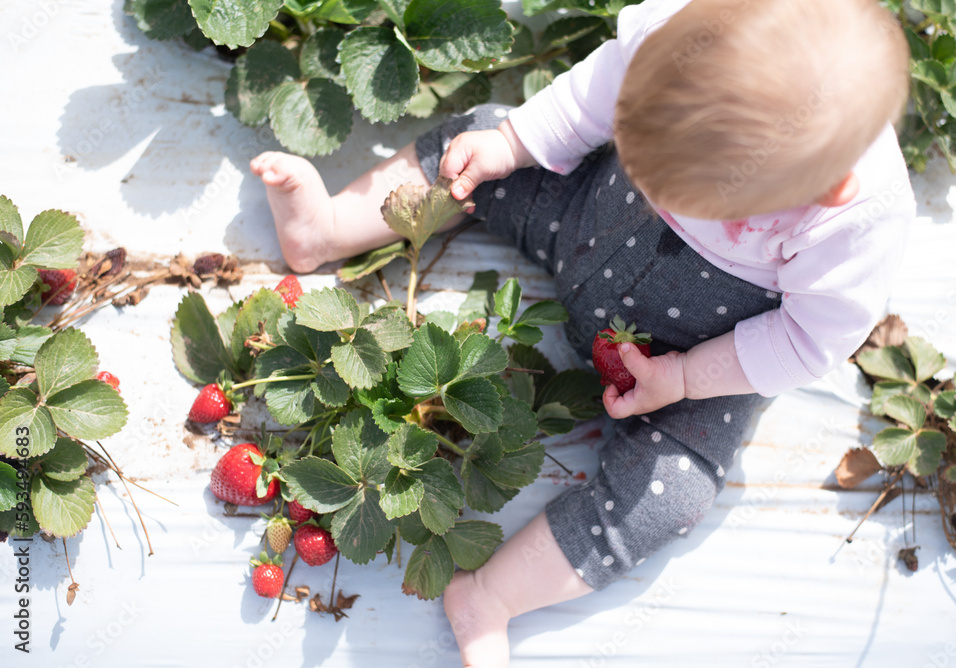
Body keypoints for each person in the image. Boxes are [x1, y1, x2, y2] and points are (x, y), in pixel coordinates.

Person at [249, 0, 914, 664]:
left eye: (690, 195)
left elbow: (805, 341)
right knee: (473, 143)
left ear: (825, 187)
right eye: (647, 149)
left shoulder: (855, 224)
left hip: (690, 356)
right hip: (581, 218)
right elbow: (599, 87)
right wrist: (513, 145)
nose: (661, 192)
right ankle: (330, 227)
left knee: (672, 493)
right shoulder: (687, 31)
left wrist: (686, 378)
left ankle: (490, 596)